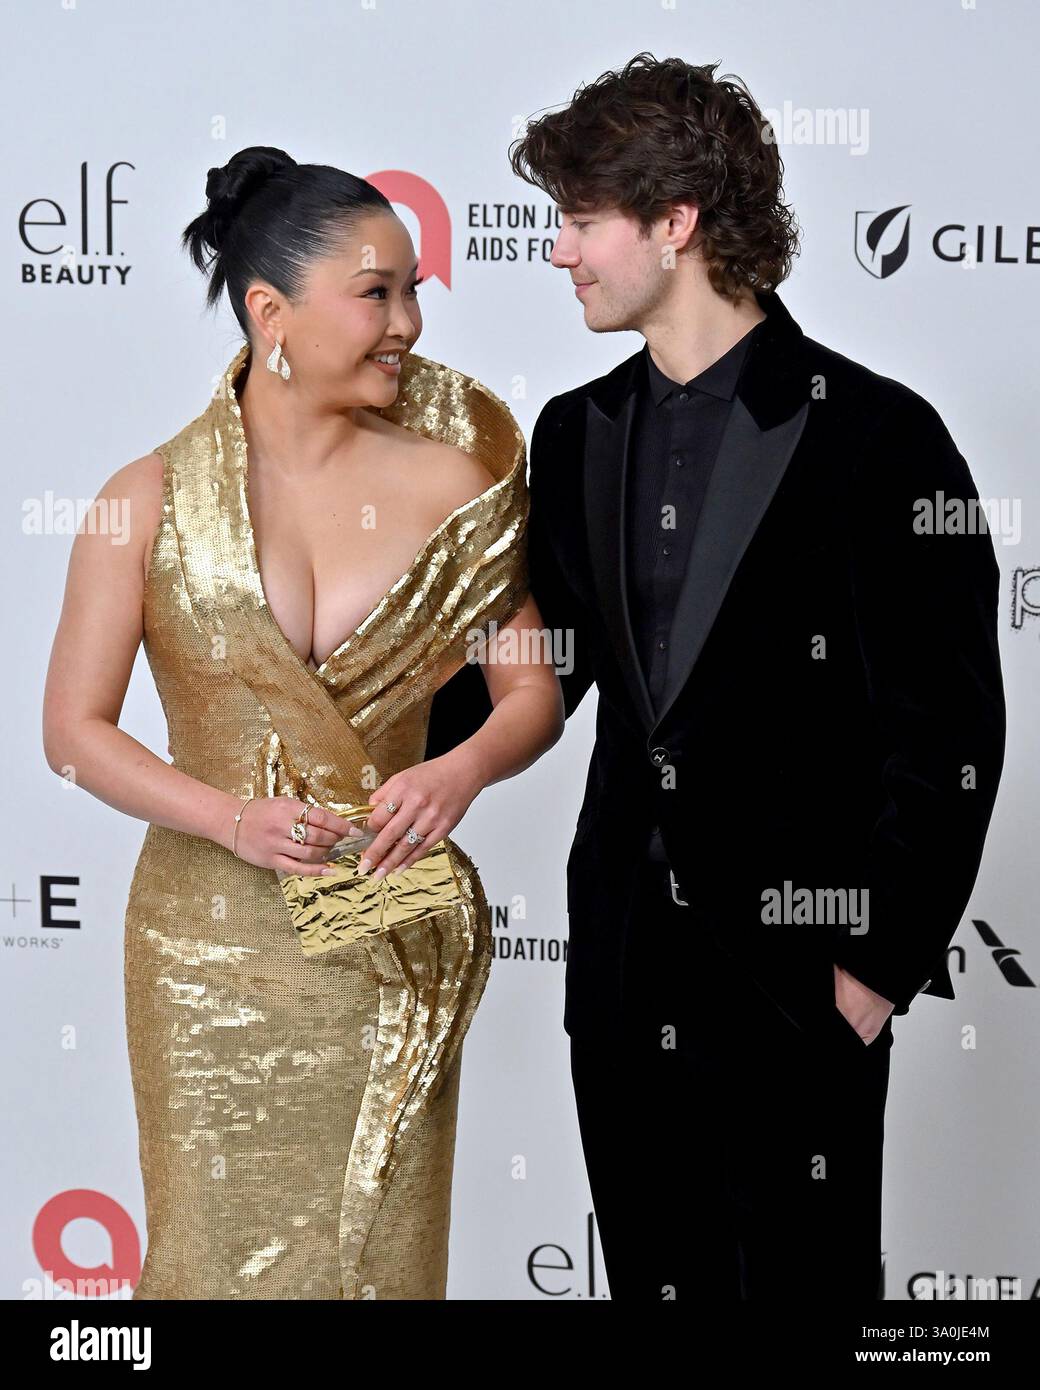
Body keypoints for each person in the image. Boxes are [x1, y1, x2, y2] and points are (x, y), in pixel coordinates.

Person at [431, 53, 1006, 1299]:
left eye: (580, 222)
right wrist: (377, 749)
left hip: (797, 980)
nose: (559, 253)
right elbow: (553, 660)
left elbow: (949, 726)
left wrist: (868, 969)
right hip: (626, 975)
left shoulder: (877, 434)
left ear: (673, 222)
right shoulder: (573, 430)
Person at [41, 146, 563, 1300]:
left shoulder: (448, 483)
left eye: (413, 290)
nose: (409, 322)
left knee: (379, 1260)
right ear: (269, 311)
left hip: (386, 944)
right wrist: (229, 820)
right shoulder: (147, 498)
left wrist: (460, 769)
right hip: (202, 952)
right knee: (207, 1260)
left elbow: (532, 691)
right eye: (375, 292)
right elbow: (74, 730)